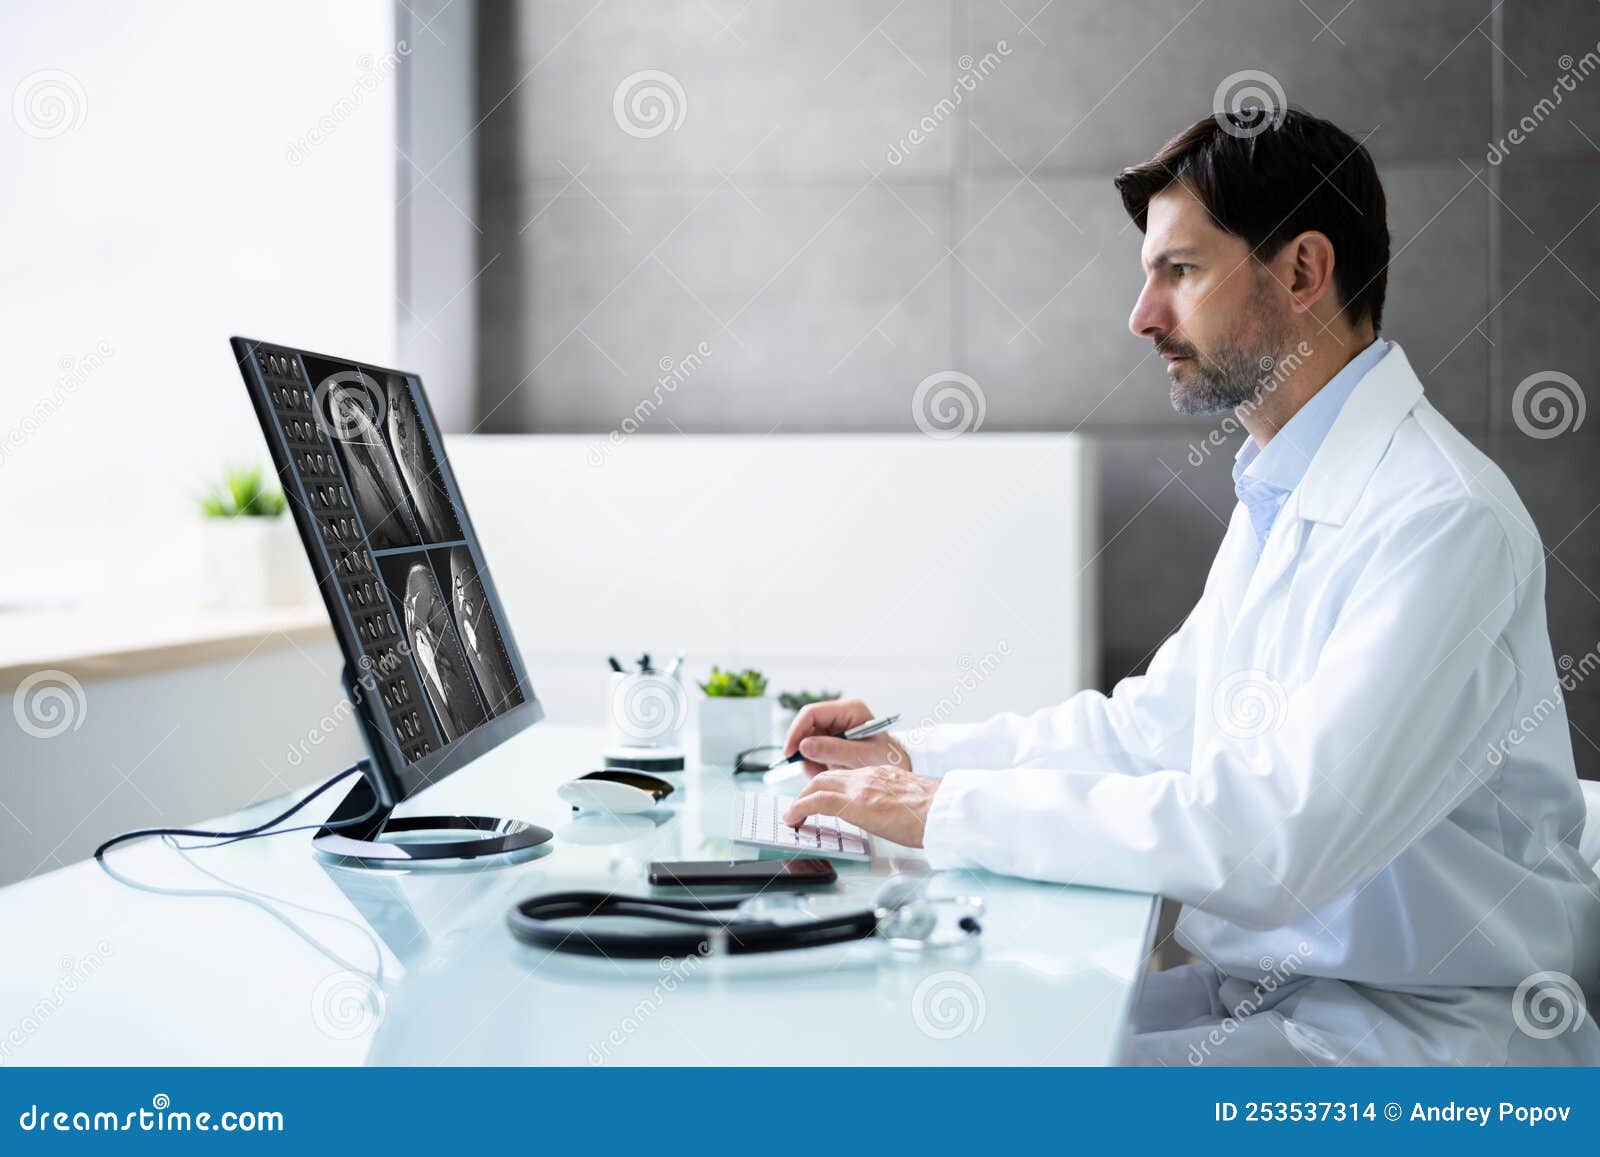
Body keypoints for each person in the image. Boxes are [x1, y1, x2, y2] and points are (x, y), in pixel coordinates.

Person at [781, 108, 1600, 1066]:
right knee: (958, 1035)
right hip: (1286, 995)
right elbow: (1147, 733)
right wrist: (911, 754)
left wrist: (939, 811)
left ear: (1301, 272)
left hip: (1420, 1040)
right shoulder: (1286, 486)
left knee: (977, 1086)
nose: (1143, 316)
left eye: (1182, 270)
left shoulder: (1438, 519)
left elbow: (1275, 842)